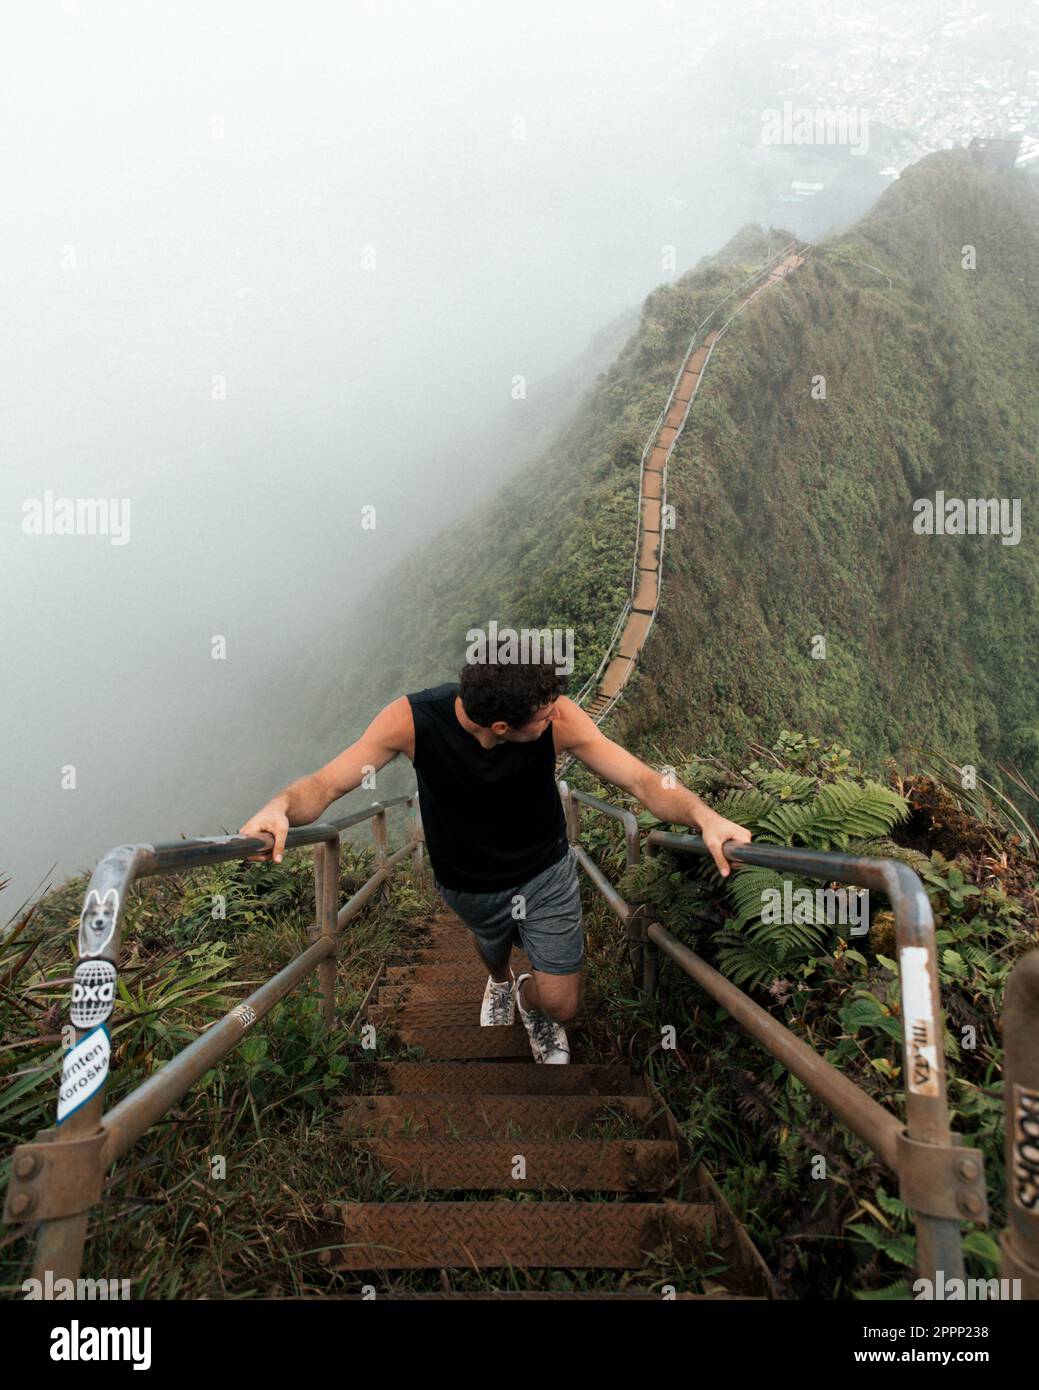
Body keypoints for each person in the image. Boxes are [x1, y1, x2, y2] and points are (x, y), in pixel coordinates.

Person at [239, 648, 752, 1064]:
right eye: (547, 713)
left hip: (544, 870)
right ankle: (502, 980)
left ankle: (531, 999)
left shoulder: (559, 719)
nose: (560, 714)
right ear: (503, 728)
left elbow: (642, 778)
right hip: (466, 881)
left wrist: (705, 816)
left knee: (563, 1004)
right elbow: (327, 783)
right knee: (491, 951)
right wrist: (278, 807)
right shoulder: (411, 721)